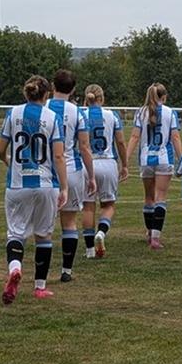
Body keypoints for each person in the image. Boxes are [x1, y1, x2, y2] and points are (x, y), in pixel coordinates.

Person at [0, 75, 70, 303]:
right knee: (44, 235)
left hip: (17, 184)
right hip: (46, 185)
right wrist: (64, 187)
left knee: (15, 233)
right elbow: (59, 156)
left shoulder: (13, 113)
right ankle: (40, 287)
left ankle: (15, 268)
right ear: (46, 94)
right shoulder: (52, 117)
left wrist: (10, 163)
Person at [48, 68, 97, 283]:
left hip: (45, 170)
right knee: (69, 223)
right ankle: (66, 270)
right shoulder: (77, 112)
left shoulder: (43, 107)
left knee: (44, 226)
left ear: (52, 86)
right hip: (71, 170)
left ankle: (40, 276)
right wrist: (91, 176)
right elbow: (84, 147)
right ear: (73, 89)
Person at [128, 83, 180, 249]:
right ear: (164, 97)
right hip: (164, 158)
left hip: (146, 159)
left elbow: (135, 137)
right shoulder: (170, 112)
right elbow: (175, 137)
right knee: (160, 197)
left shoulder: (141, 112)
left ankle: (150, 232)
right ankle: (156, 238)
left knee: (149, 197)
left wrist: (125, 158)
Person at [79, 84, 127, 257]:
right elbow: (120, 142)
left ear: (86, 98)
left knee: (88, 206)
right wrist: (125, 164)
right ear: (102, 98)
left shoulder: (79, 114)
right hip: (107, 163)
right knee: (108, 205)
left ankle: (90, 250)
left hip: (86, 164)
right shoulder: (112, 115)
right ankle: (101, 232)